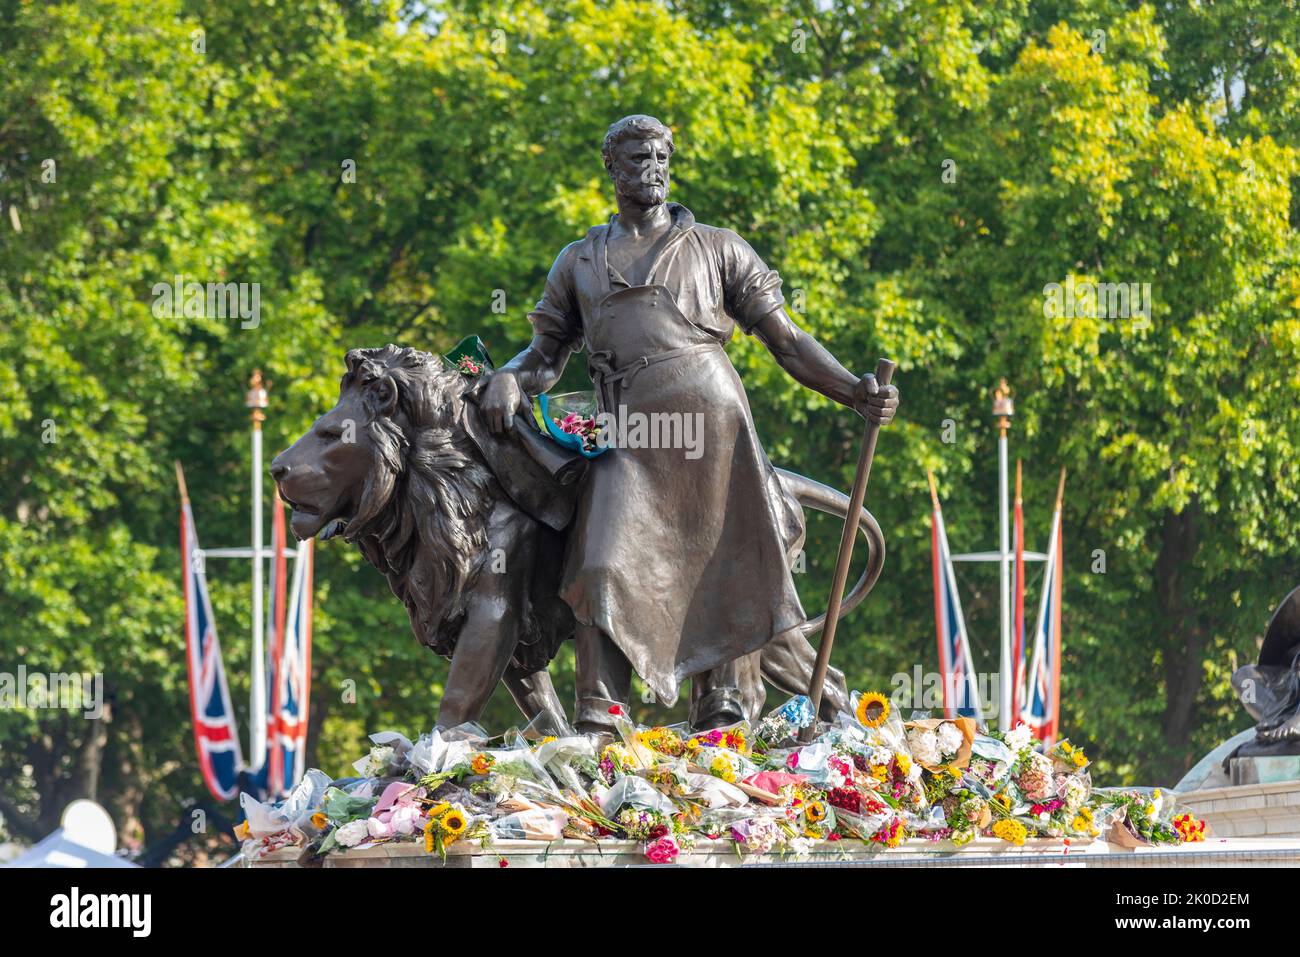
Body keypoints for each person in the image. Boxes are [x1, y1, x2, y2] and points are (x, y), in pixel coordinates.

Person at [480, 115, 898, 734]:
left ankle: (722, 707)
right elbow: (544, 354)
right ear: (612, 168)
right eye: (638, 158)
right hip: (627, 432)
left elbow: (786, 340)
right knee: (599, 562)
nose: (652, 167)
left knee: (721, 559)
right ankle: (599, 716)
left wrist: (852, 389)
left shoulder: (719, 247)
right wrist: (511, 376)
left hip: (710, 420)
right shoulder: (579, 261)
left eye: (661, 157)